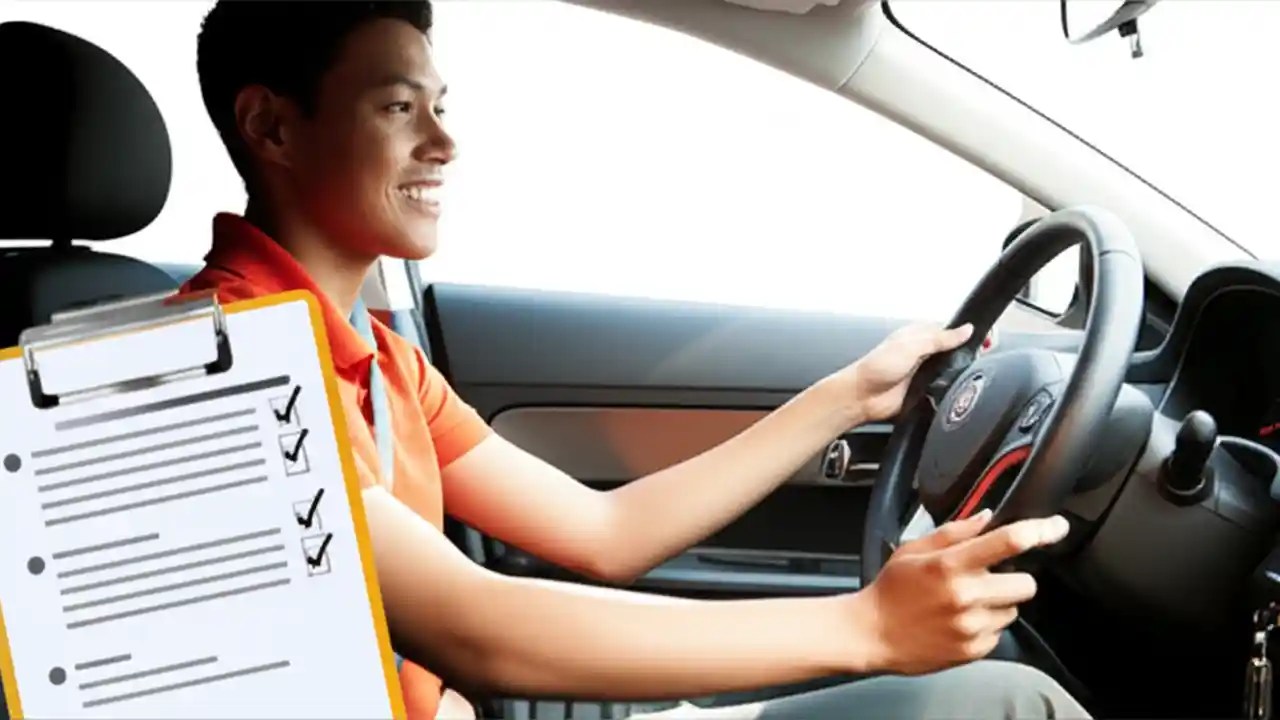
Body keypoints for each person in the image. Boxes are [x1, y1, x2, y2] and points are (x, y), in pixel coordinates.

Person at [184, 2, 1089, 718]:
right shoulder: (219, 369)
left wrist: (852, 394)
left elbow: (604, 534)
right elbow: (478, 632)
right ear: (272, 126)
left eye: (440, 106)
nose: (444, 142)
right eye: (396, 107)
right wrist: (867, 626)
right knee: (1013, 704)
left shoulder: (379, 358)